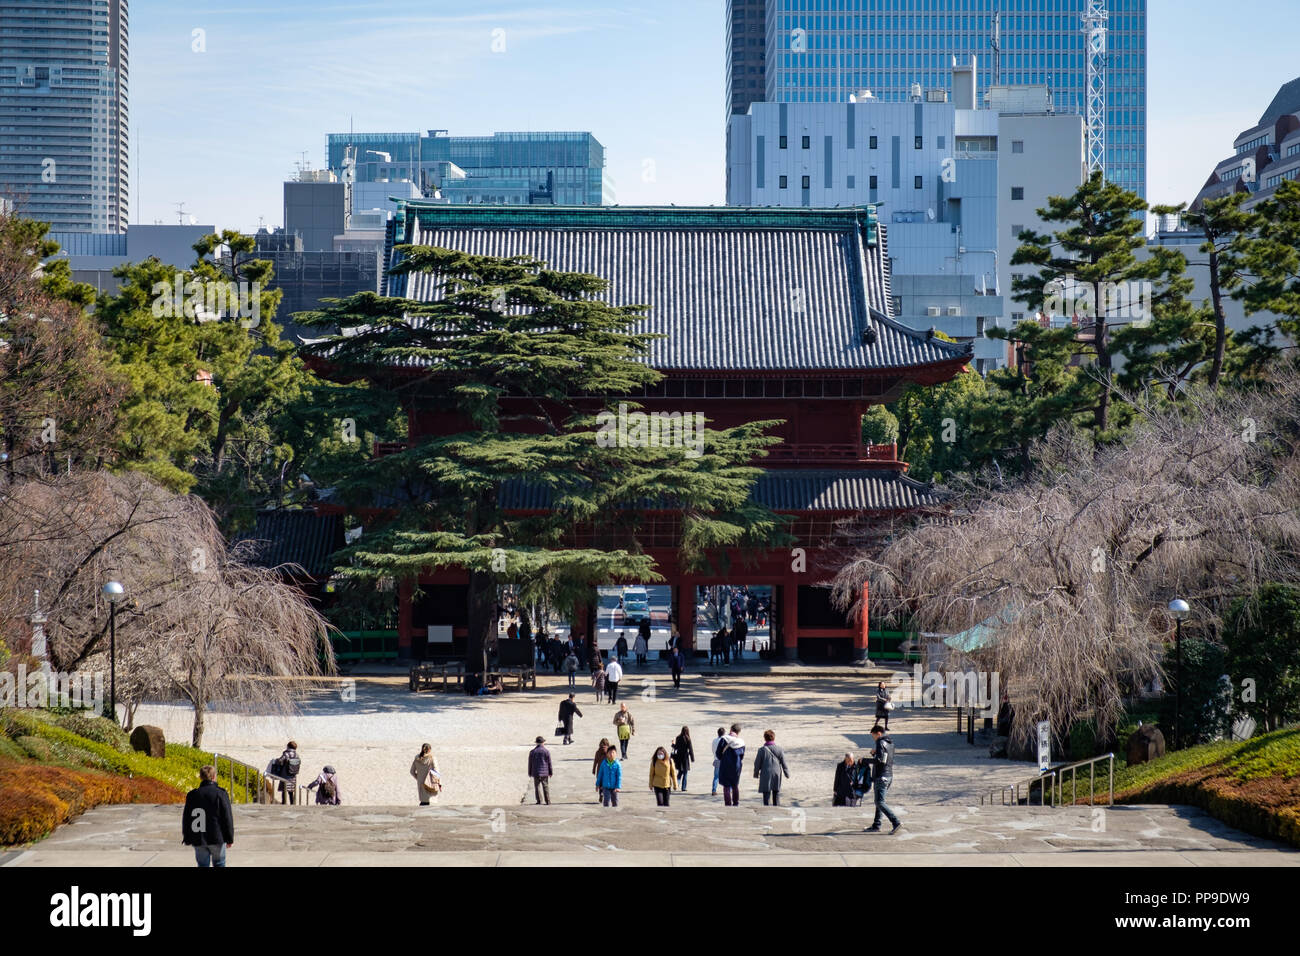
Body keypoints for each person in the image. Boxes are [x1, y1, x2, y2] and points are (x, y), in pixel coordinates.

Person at [182, 765, 234, 867]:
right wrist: (229, 838)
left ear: (200, 777)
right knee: (219, 863)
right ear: (214, 777)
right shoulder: (220, 794)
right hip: (216, 837)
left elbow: (187, 818)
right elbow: (227, 818)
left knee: (202, 864)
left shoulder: (192, 795)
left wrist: (187, 836)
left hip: (198, 837)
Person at [865, 725, 902, 834]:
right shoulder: (891, 743)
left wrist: (864, 760)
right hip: (889, 775)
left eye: (874, 736)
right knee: (879, 801)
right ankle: (876, 825)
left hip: (881, 776)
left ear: (879, 733)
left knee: (879, 801)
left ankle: (896, 822)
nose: (874, 738)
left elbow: (880, 760)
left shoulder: (880, 742)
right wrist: (874, 753)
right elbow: (884, 759)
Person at [752, 729, 790, 806]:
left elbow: (757, 763)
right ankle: (777, 807)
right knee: (776, 792)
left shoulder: (761, 750)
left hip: (766, 773)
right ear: (773, 738)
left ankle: (767, 808)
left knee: (766, 792)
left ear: (765, 738)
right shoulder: (779, 749)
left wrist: (756, 773)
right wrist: (787, 773)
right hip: (777, 773)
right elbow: (784, 762)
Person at [717, 724, 745, 806]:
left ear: (731, 730)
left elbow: (718, 753)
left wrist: (723, 758)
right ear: (738, 732)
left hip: (725, 764)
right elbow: (742, 756)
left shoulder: (724, 739)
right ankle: (736, 803)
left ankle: (728, 804)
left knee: (726, 786)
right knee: (735, 785)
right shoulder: (741, 742)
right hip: (736, 766)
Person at [273, 740, 301, 805]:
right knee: (291, 791)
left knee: (284, 790)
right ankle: (292, 803)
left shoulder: (286, 754)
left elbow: (280, 761)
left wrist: (276, 760)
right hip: (293, 775)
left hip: (285, 774)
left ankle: (284, 803)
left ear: (288, 746)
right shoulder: (296, 755)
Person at [528, 736, 553, 805]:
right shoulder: (546, 751)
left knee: (537, 787)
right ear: (543, 743)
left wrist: (530, 772)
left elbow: (530, 763)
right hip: (545, 773)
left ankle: (539, 800)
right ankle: (548, 801)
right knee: (545, 786)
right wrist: (550, 772)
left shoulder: (532, 752)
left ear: (536, 743)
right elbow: (549, 763)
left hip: (535, 772)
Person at [672, 726, 695, 792]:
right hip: (685, 757)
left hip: (679, 757)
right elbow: (690, 749)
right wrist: (692, 758)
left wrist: (672, 744)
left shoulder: (678, 738)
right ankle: (683, 787)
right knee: (685, 773)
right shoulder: (688, 739)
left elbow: (676, 747)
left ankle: (676, 785)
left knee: (680, 772)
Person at [592, 737, 611, 801]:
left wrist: (594, 769)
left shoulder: (598, 752)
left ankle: (601, 793)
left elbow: (595, 761)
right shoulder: (609, 752)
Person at [711, 727, 727, 796]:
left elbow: (713, 749)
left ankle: (714, 790)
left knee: (716, 776)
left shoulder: (714, 740)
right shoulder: (724, 741)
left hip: (717, 759)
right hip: (723, 760)